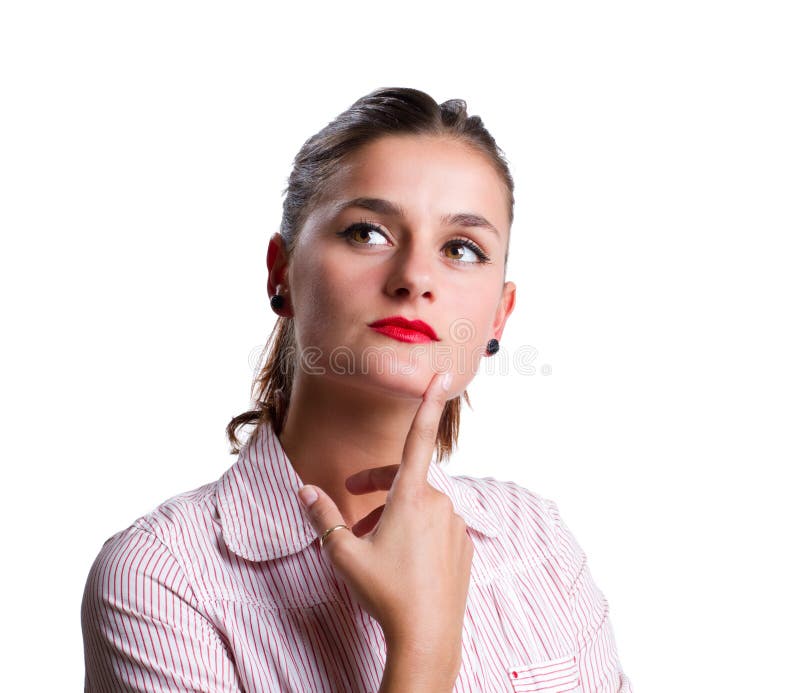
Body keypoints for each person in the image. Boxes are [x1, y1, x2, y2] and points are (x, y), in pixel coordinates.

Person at [81, 87, 633, 692]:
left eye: (461, 248)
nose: (415, 277)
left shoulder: (538, 540)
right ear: (281, 272)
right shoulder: (162, 578)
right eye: (369, 233)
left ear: (499, 317)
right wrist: (424, 644)